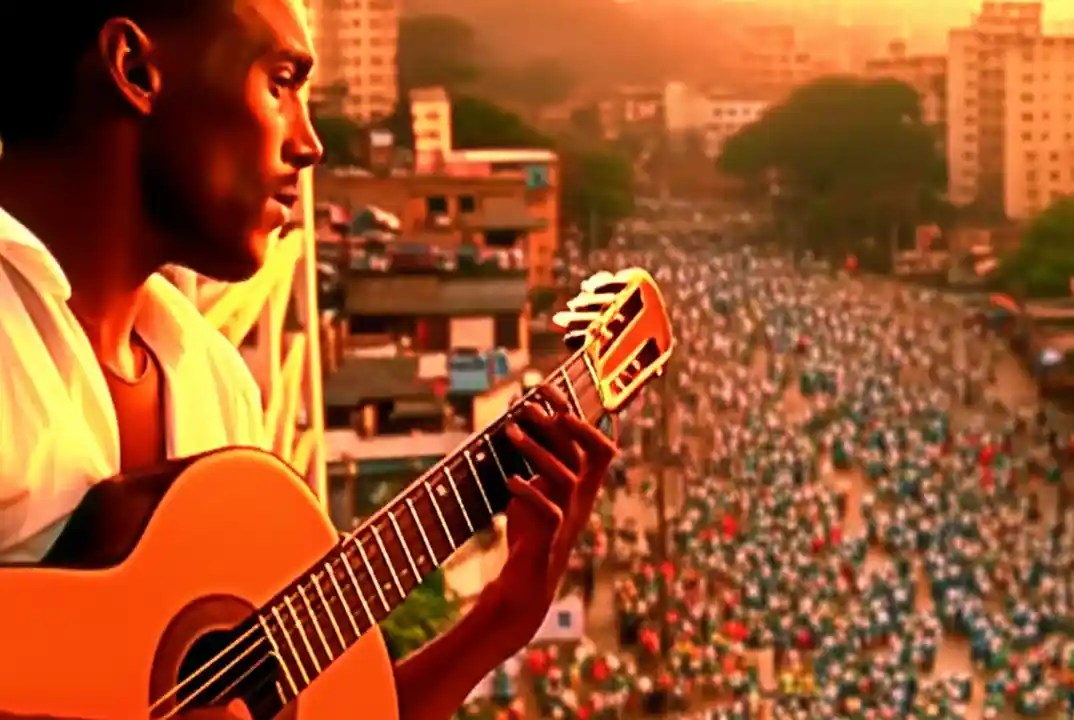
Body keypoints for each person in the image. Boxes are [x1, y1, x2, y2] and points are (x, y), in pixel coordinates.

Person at [0, 1, 616, 718]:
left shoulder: (216, 387)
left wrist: (501, 620)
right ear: (136, 69)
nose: (311, 143)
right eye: (280, 82)